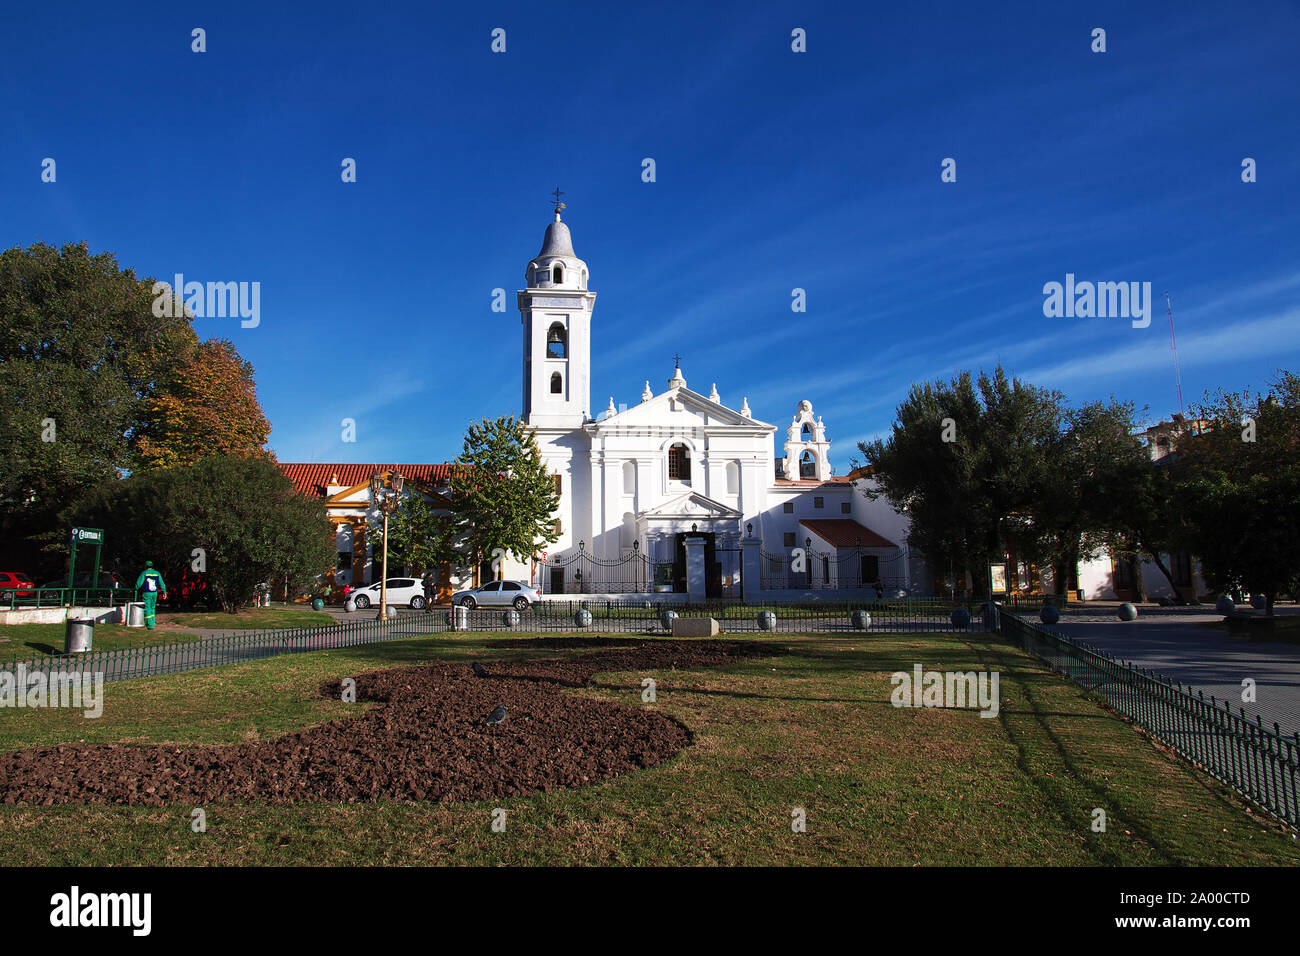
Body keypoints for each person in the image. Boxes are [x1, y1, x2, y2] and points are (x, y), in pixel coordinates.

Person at [135, 561, 167, 630]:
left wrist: (135, 589)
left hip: (147, 593)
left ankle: (149, 625)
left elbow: (139, 583)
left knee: (147, 608)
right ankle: (152, 622)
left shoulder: (144, 573)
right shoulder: (157, 573)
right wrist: (164, 592)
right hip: (155, 593)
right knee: (153, 608)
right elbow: (161, 583)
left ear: (145, 566)